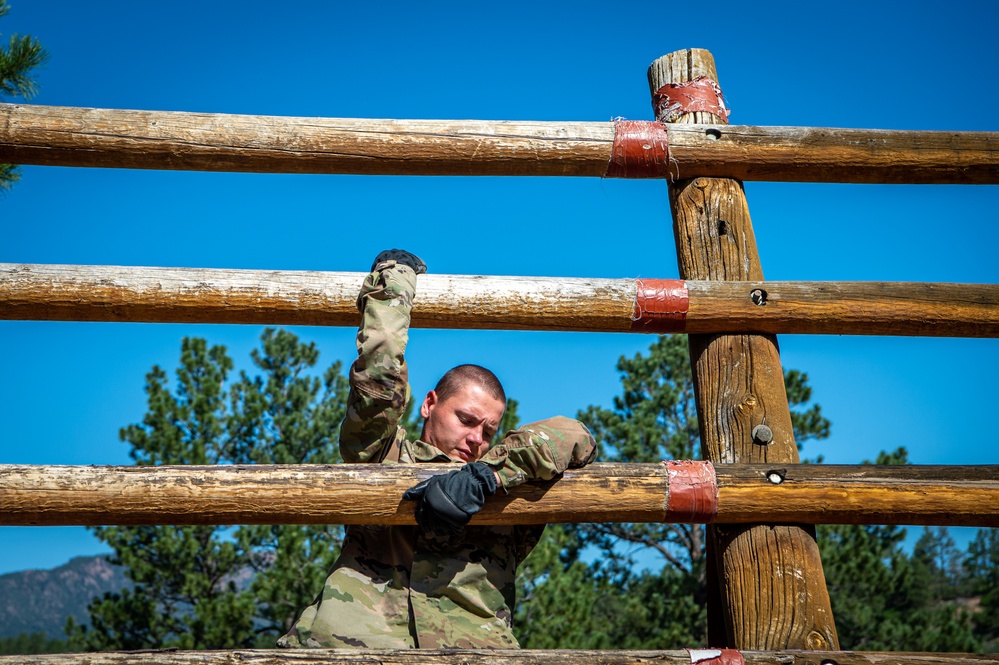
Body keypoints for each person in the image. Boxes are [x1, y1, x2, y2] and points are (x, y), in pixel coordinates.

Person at [278, 250, 596, 649]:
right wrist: (395, 281)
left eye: (489, 430)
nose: (477, 438)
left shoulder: (509, 484)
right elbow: (379, 373)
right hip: (353, 648)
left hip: (473, 655)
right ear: (430, 404)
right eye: (465, 419)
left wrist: (488, 475)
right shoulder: (384, 455)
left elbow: (576, 435)